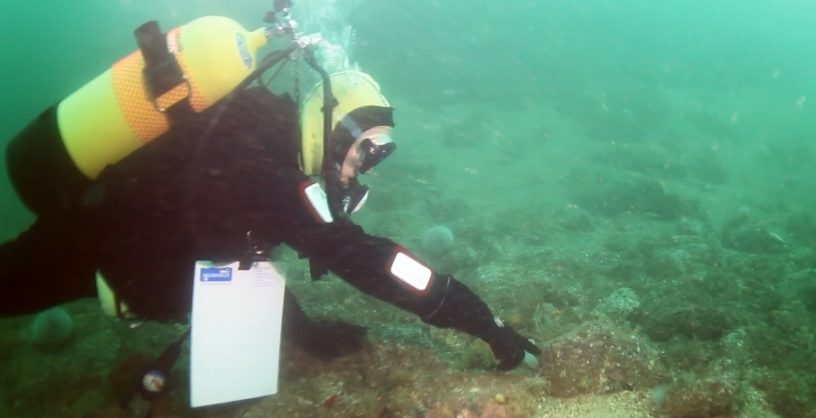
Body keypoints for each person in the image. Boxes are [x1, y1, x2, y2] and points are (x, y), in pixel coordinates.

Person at [1, 63, 539, 378]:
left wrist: (308, 335)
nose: (358, 171)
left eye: (376, 157)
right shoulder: (271, 172)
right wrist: (482, 323)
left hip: (115, 239)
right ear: (329, 129)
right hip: (91, 242)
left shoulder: (267, 137)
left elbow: (249, 258)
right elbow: (374, 264)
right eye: (360, 152)